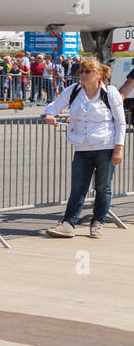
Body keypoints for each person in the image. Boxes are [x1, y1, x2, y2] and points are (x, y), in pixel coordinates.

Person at [42, 58, 124, 237]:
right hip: (82, 148)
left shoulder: (110, 93)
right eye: (82, 72)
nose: (84, 75)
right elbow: (55, 105)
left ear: (99, 74)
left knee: (103, 188)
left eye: (88, 72)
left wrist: (119, 148)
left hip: (106, 146)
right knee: (78, 187)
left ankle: (98, 222)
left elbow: (121, 123)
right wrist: (49, 114)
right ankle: (68, 224)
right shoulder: (73, 91)